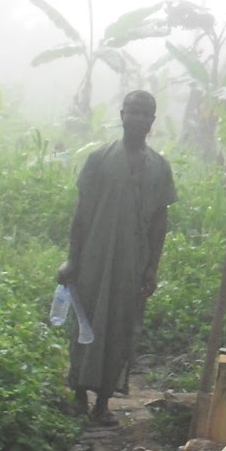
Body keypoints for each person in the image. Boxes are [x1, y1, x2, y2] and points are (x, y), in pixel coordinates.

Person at [57, 90, 176, 426]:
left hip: (131, 264)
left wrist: (151, 269)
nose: (138, 118)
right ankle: (79, 395)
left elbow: (159, 223)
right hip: (94, 259)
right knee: (86, 325)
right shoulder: (99, 160)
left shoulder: (160, 168)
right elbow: (81, 215)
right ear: (122, 114)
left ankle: (103, 402)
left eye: (145, 113)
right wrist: (72, 260)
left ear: (153, 121)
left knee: (121, 328)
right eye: (133, 111)